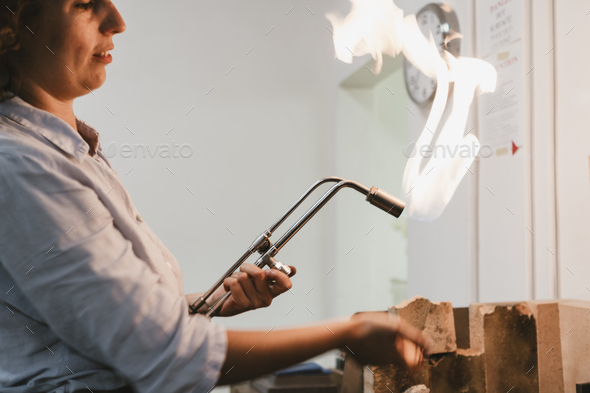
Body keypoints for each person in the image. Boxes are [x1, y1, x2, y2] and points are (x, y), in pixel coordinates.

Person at [0, 1, 427, 392]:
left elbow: (100, 321)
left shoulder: (73, 150)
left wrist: (210, 305)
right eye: (85, 5)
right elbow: (160, 354)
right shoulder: (20, 164)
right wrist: (345, 334)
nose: (118, 22)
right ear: (11, 29)